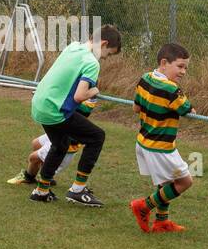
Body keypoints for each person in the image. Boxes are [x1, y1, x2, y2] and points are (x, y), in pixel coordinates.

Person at [28, 25, 122, 206]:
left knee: (60, 144)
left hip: (39, 105)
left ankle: (41, 190)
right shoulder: (92, 62)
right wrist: (94, 89)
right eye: (108, 53)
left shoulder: (73, 47)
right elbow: (80, 96)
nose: (105, 58)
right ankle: (78, 190)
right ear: (103, 43)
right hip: (54, 111)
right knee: (97, 136)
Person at [129, 43, 196, 231]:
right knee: (184, 181)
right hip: (160, 147)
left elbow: (135, 108)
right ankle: (143, 206)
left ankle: (161, 222)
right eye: (180, 66)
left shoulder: (144, 79)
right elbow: (186, 108)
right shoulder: (172, 89)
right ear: (164, 63)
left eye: (186, 68)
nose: (183, 72)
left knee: (165, 181)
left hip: (143, 141)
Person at [7, 98, 99, 186]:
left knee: (33, 158)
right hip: (60, 130)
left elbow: (85, 109)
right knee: (36, 143)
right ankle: (46, 174)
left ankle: (30, 177)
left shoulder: (87, 91)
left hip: (68, 141)